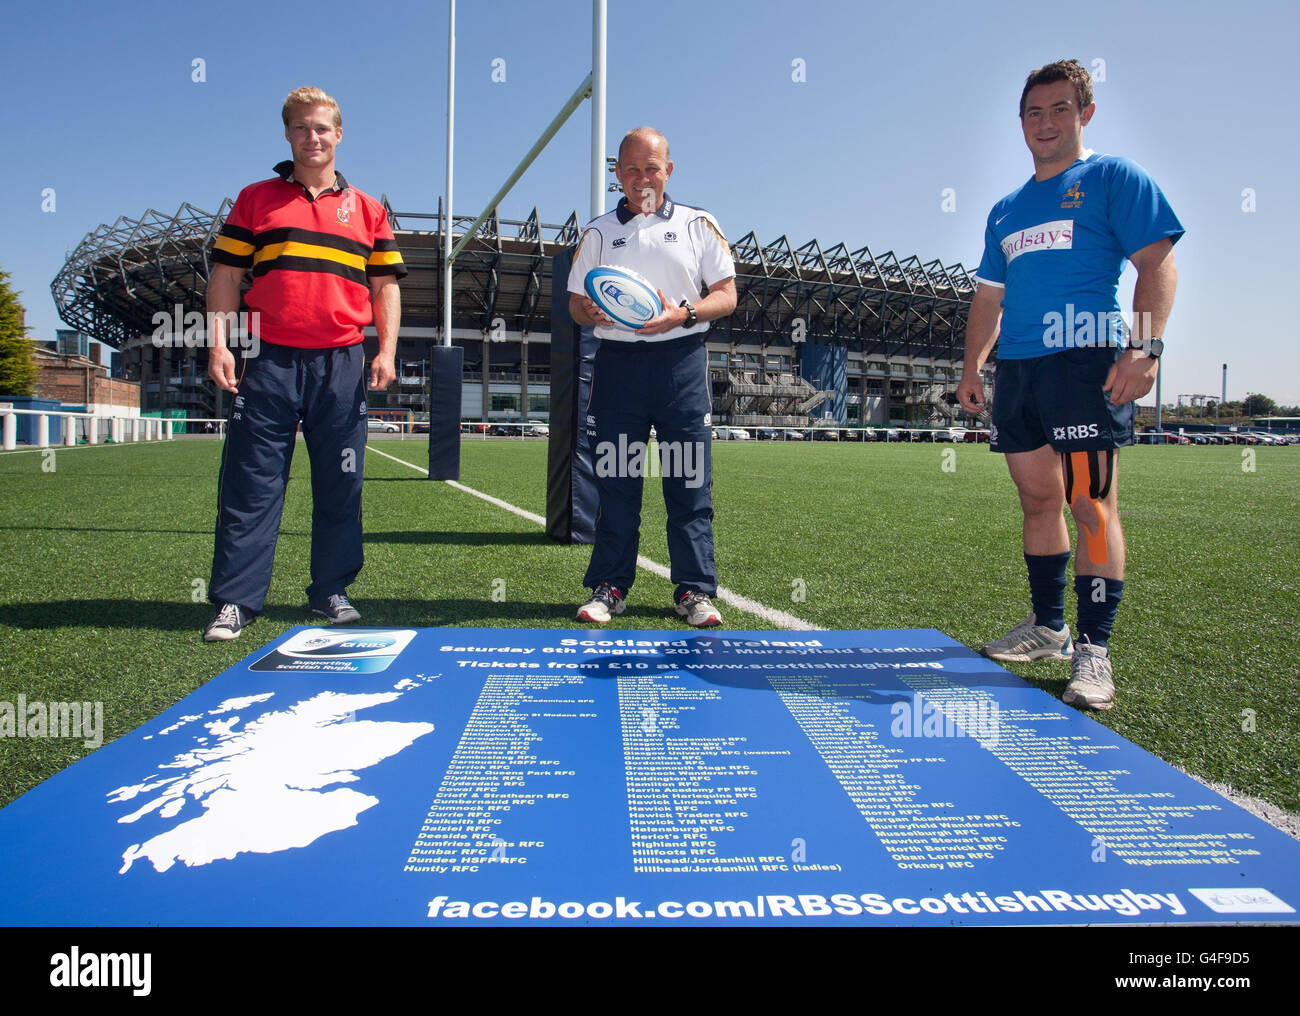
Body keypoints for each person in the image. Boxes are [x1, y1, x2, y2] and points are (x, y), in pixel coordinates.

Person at [956, 59, 1182, 710]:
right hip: (1019, 372)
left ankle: (1094, 650)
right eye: (1034, 112)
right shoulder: (1007, 209)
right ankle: (1048, 627)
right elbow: (988, 297)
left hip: (1085, 362)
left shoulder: (1113, 179)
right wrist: (974, 367)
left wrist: (1146, 348)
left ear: (1084, 114)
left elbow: (1156, 263)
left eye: (1059, 109)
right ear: (1020, 122)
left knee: (1090, 503)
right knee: (1036, 501)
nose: (1045, 122)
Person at [202, 86, 405, 641]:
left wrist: (384, 349)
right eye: (301, 128)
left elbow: (384, 285)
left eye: (322, 128)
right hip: (269, 361)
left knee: (341, 482)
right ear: (287, 134)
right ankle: (237, 601)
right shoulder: (255, 199)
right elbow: (224, 276)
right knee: (252, 482)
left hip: (341, 361)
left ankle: (330, 590)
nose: (312, 138)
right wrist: (219, 343)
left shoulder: (368, 208)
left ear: (339, 134)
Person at [567, 127, 737, 627]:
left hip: (680, 364)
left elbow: (727, 295)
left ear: (669, 170)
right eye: (632, 168)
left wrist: (682, 314)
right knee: (617, 481)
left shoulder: (697, 223)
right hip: (619, 368)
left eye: (653, 167)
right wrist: (591, 313)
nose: (642, 178)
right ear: (616, 172)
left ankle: (694, 591)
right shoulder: (598, 232)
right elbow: (576, 303)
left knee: (687, 481)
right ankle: (611, 586)